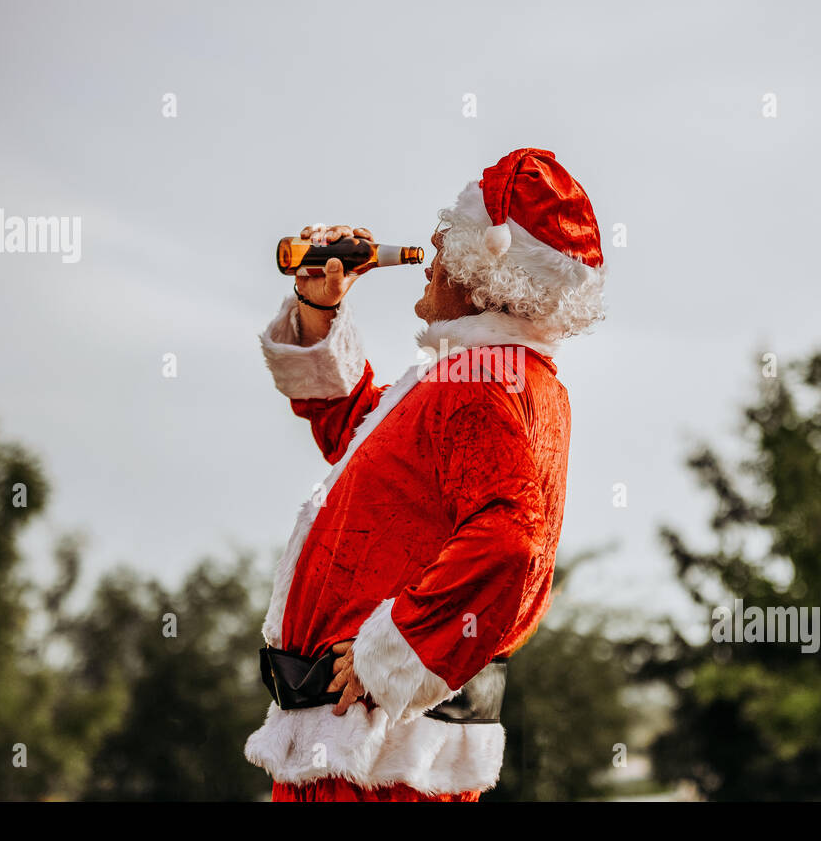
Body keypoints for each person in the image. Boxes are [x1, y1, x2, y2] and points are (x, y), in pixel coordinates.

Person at [245, 147, 606, 801]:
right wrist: (319, 308)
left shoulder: (481, 383)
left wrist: (394, 654)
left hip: (375, 758)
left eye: (447, 241)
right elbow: (357, 439)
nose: (431, 248)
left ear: (476, 269)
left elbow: (512, 544)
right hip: (360, 748)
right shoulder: (482, 376)